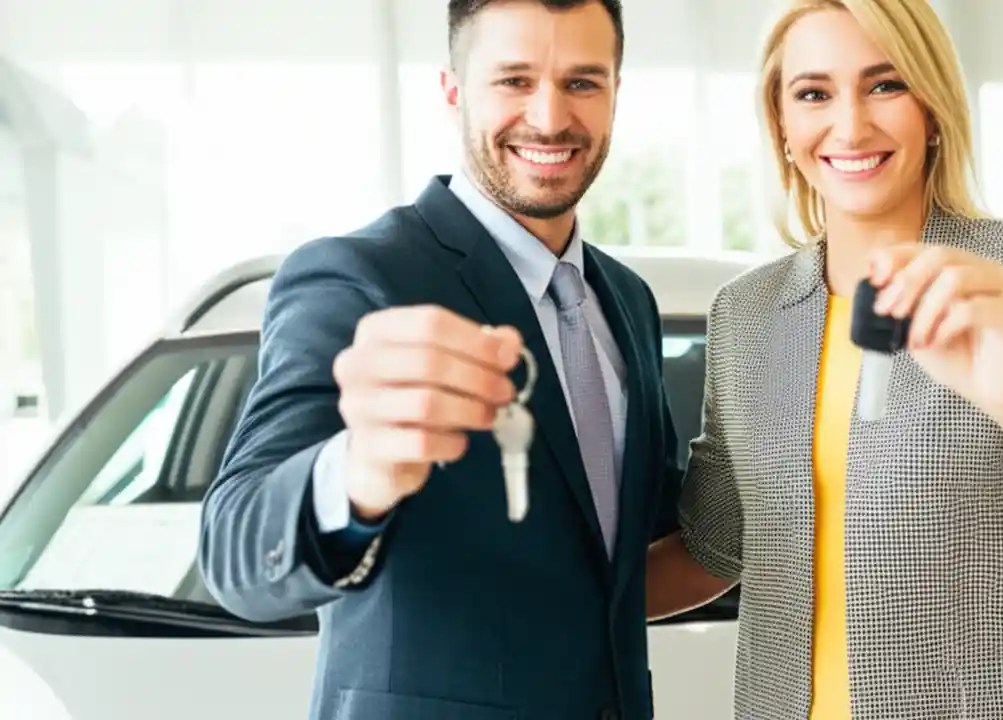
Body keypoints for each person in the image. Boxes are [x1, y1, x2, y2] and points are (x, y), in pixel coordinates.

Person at [645, 1, 1003, 718]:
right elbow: (715, 547)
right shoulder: (745, 313)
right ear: (782, 125)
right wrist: (530, 592)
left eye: (885, 84)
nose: (850, 125)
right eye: (814, 93)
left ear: (932, 107)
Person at [199, 1, 683, 718]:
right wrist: (361, 470)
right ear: (453, 90)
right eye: (514, 80)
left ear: (616, 91)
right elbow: (235, 549)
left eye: (582, 82)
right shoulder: (360, 277)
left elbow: (638, 545)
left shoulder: (628, 300)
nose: (550, 118)